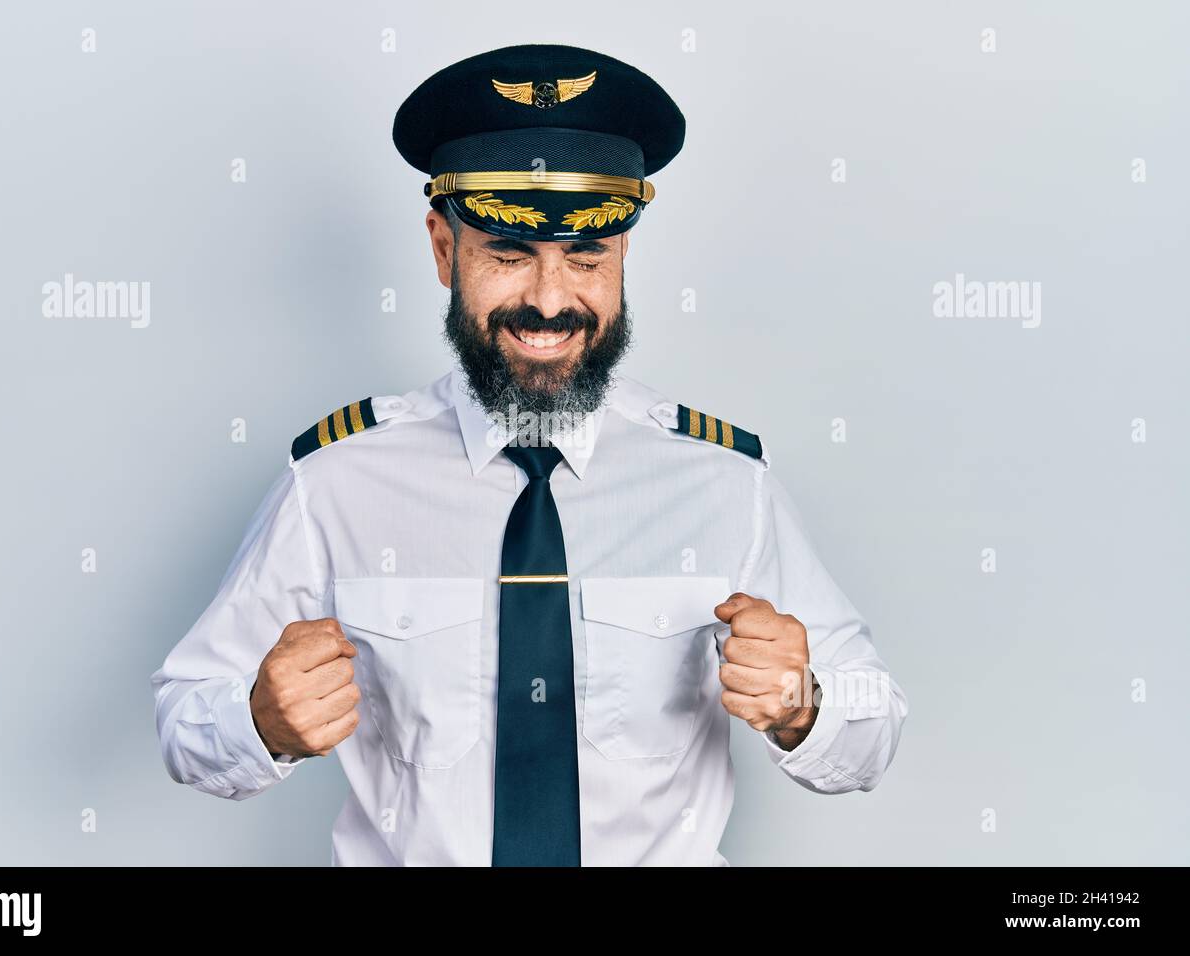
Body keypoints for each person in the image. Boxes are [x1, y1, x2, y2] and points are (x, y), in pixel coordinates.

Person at [151, 43, 907, 866]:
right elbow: (186, 716)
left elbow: (872, 733)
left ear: (624, 255)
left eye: (586, 257)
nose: (550, 301)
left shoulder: (724, 482)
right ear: (444, 250)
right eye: (508, 257)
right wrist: (260, 721)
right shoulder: (335, 481)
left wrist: (803, 705)